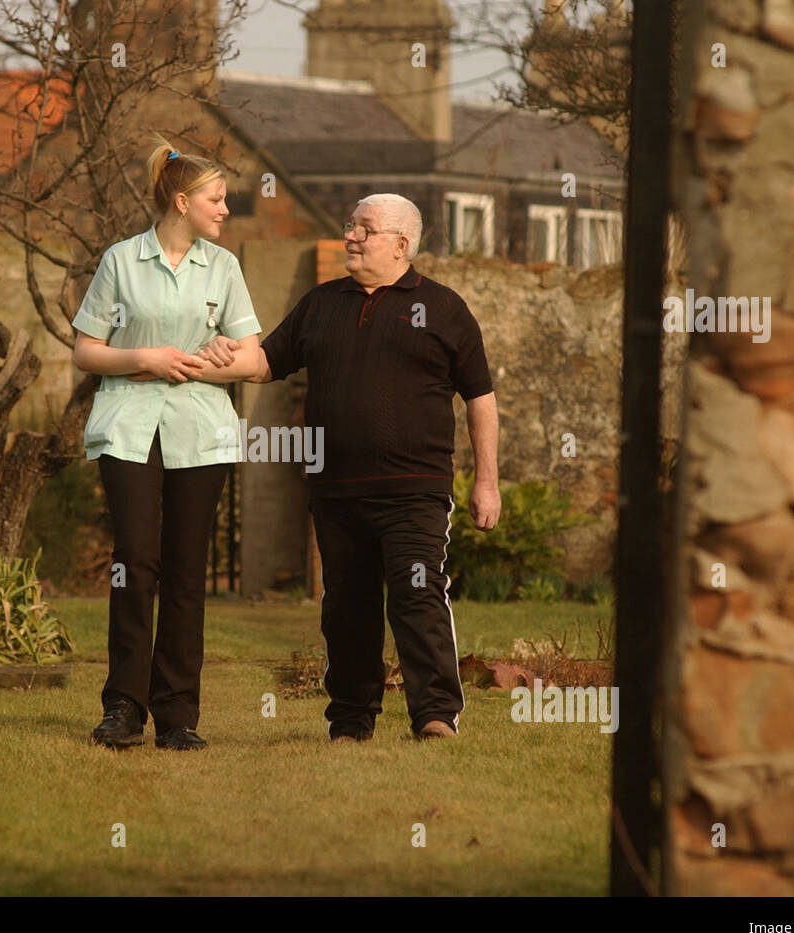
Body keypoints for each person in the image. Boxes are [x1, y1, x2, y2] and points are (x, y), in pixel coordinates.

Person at [200, 193, 501, 742]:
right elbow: (266, 363)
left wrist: (487, 482)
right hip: (335, 491)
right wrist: (219, 355)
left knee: (417, 595)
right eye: (350, 226)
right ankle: (350, 719)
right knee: (347, 607)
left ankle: (435, 714)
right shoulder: (322, 303)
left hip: (414, 491)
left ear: (402, 244)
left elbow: (480, 397)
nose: (352, 237)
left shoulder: (443, 307)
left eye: (366, 229)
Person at [71, 142, 263, 751]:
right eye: (216, 199)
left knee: (185, 569)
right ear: (182, 202)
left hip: (201, 431)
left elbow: (255, 359)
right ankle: (123, 706)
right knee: (136, 561)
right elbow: (85, 349)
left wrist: (213, 364)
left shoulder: (224, 269)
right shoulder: (121, 262)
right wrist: (143, 358)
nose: (225, 209)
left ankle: (178, 715)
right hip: (128, 425)